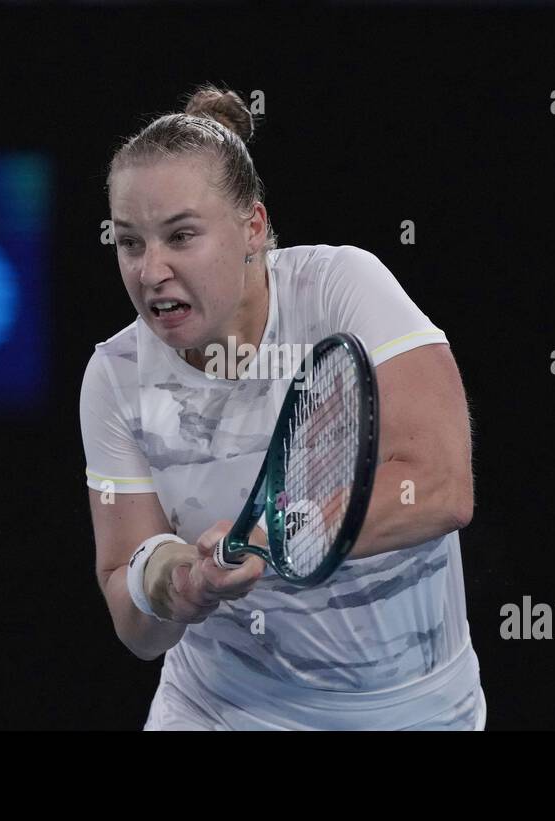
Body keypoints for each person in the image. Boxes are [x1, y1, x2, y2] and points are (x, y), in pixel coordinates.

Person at [80, 84, 485, 730]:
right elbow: (133, 617)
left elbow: (441, 486)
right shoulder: (114, 375)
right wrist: (178, 583)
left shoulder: (345, 288)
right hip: (217, 706)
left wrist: (270, 540)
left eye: (181, 235)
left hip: (412, 708)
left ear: (253, 229)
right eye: (130, 242)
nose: (150, 270)